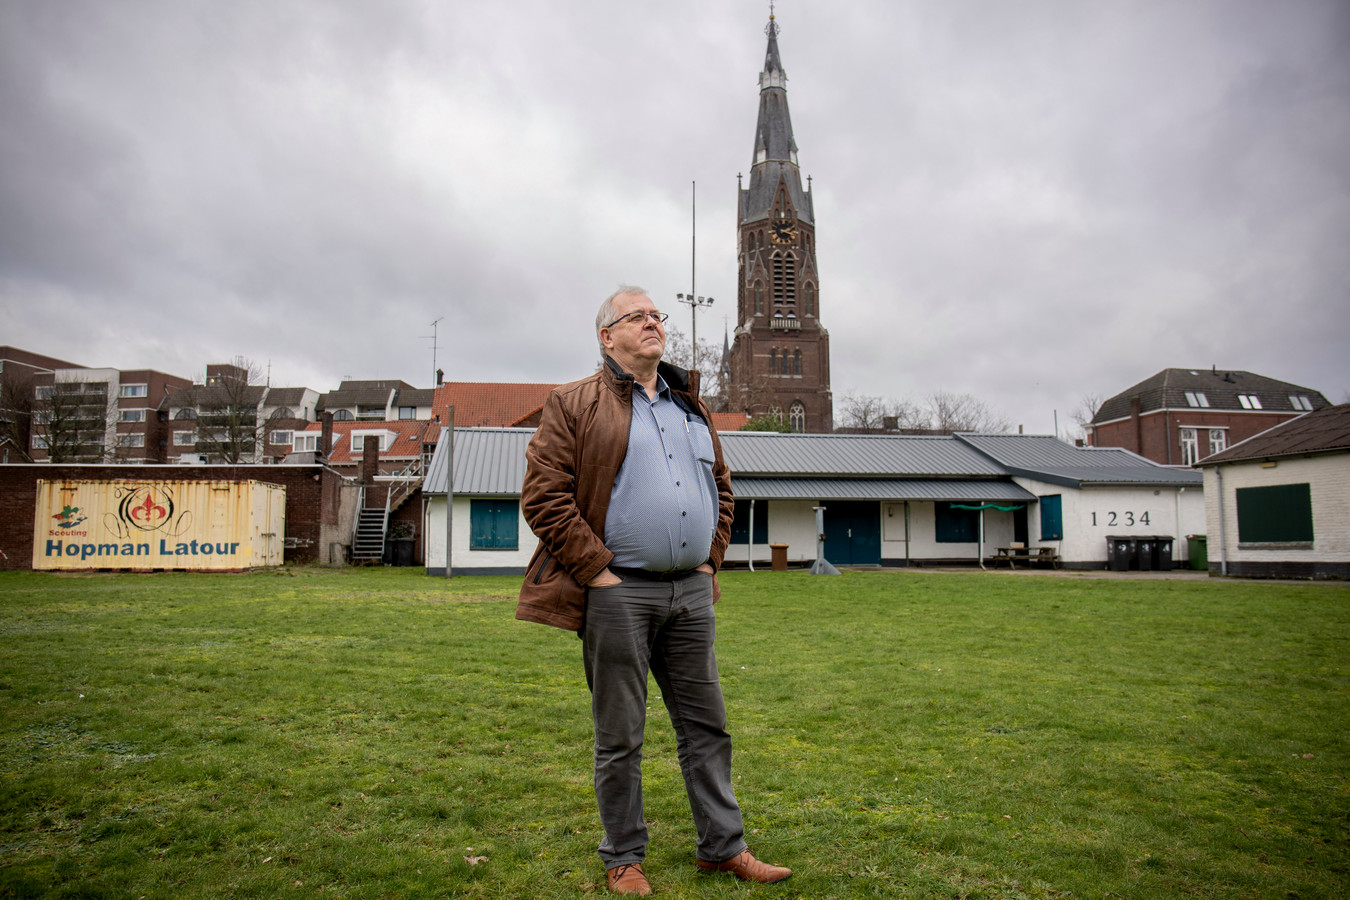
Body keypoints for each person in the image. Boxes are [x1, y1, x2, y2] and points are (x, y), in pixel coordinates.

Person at [516, 286, 791, 895]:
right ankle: (623, 856)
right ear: (606, 336)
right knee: (621, 733)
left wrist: (710, 562)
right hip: (619, 594)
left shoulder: (689, 405)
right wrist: (598, 572)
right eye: (636, 316)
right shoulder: (573, 403)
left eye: (656, 315)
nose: (652, 324)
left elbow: (721, 487)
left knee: (707, 726)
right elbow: (544, 498)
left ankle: (723, 849)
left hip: (689, 595)